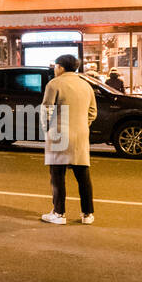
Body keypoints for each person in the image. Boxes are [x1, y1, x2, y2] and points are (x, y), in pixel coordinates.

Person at [40, 54, 98, 225]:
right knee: (83, 176)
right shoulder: (86, 85)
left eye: (56, 66)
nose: (54, 69)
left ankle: (59, 213)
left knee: (57, 175)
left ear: (61, 67)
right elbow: (93, 111)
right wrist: (82, 124)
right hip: (80, 134)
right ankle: (87, 214)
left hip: (59, 133)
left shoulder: (54, 84)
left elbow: (46, 110)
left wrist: (47, 130)